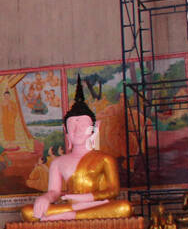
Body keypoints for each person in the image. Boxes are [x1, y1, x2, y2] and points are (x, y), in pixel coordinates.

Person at [21, 76, 131, 221]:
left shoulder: (105, 158)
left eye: (83, 125)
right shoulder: (58, 162)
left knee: (124, 208)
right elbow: (54, 191)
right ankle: (71, 213)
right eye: (72, 126)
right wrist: (45, 198)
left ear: (94, 128)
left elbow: (113, 191)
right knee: (29, 211)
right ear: (65, 130)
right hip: (73, 205)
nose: (77, 129)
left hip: (95, 205)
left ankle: (69, 215)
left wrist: (87, 198)